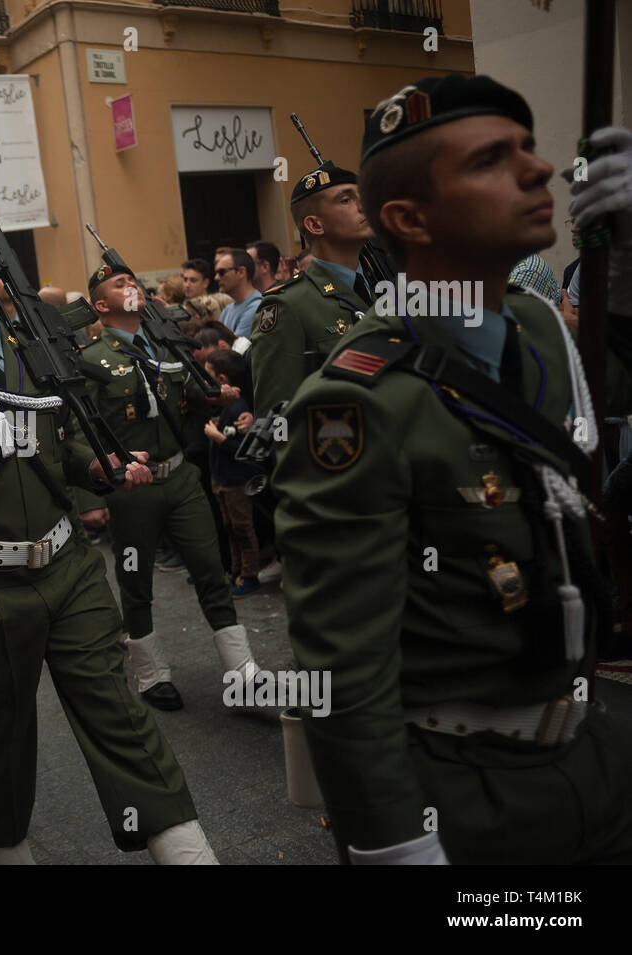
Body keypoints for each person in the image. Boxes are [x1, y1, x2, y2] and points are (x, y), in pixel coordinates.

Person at [276, 74, 632, 864]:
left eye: (530, 150)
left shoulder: (538, 324)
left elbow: (611, 406)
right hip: (468, 798)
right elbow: (342, 665)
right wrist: (395, 844)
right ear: (408, 218)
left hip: (595, 759)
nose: (539, 171)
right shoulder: (357, 402)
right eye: (492, 160)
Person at [0, 222, 217, 863]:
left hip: (70, 567)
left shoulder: (35, 355)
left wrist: (98, 467)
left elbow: (62, 442)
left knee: (121, 713)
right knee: (0, 736)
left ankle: (189, 853)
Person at [78, 263, 264, 710]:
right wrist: (90, 495)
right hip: (131, 489)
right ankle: (150, 670)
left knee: (208, 569)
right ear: (101, 306)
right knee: (136, 578)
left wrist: (216, 400)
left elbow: (184, 397)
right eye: (119, 284)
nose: (132, 287)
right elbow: (79, 429)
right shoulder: (89, 360)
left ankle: (243, 672)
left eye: (132, 280)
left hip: (179, 477)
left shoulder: (164, 343)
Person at [248, 160, 374, 419]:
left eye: (362, 196)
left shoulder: (388, 286)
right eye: (346, 200)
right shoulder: (288, 306)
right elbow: (276, 418)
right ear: (315, 225)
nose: (363, 206)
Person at [202, 349, 261, 597]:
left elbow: (245, 451)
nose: (205, 382)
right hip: (221, 477)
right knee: (229, 527)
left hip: (236, 480)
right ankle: (235, 570)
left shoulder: (239, 409)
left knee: (242, 528)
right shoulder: (224, 407)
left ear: (223, 380)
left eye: (209, 376)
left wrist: (220, 439)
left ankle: (249, 575)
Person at [214, 250, 262, 337]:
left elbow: (236, 349)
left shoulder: (256, 308)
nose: (216, 278)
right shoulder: (227, 310)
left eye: (221, 272)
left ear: (241, 272)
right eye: (216, 273)